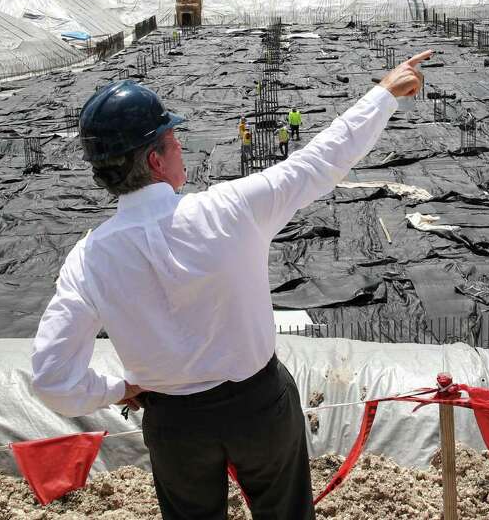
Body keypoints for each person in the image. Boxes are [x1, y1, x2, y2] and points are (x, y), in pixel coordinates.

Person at [31, 51, 431, 520]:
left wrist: (119, 388)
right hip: (259, 405)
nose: (182, 148)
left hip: (174, 424)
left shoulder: (89, 258)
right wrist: (383, 95)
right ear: (156, 160)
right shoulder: (228, 209)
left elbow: (53, 381)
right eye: (174, 140)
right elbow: (320, 161)